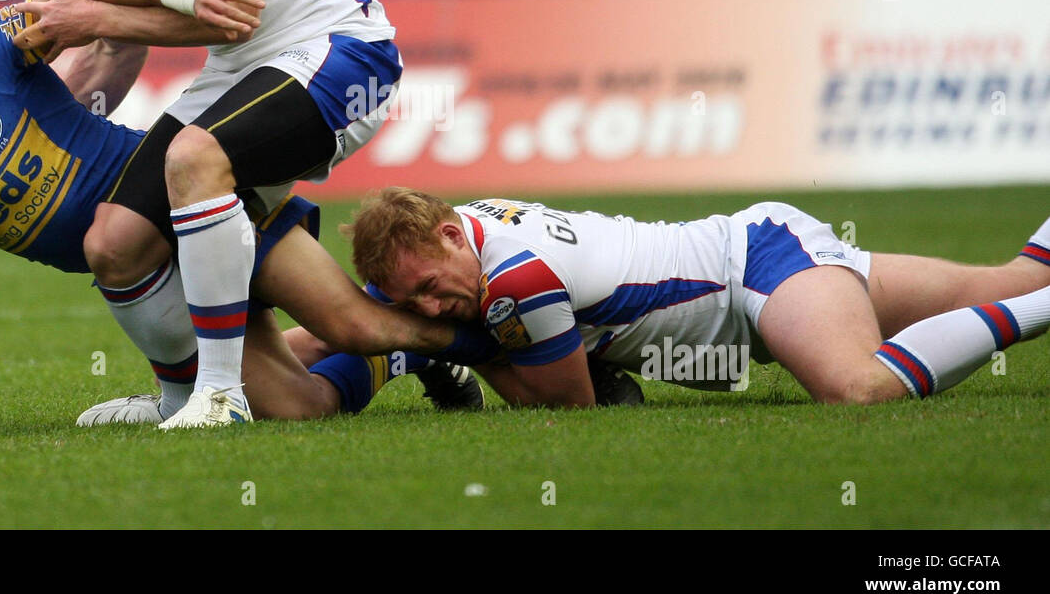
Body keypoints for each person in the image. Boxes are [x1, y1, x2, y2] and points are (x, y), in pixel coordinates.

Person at [0, 10, 491, 425]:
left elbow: (93, 20)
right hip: (152, 281)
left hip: (190, 200)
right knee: (299, 409)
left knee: (349, 323)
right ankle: (400, 358)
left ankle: (502, 339)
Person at [43, 0, 404, 427]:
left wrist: (94, 13)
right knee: (113, 243)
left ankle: (219, 396)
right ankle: (192, 396)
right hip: (240, 74)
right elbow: (117, 50)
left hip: (337, 51)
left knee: (194, 157)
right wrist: (48, 113)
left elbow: (232, 13)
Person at [346, 188, 1050, 406]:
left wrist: (439, 348)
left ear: (447, 237)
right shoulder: (453, 236)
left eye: (433, 292)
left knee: (856, 388)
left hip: (756, 265)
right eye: (412, 303)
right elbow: (344, 324)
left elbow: (570, 408)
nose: (429, 308)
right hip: (746, 254)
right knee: (1017, 274)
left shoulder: (518, 278)